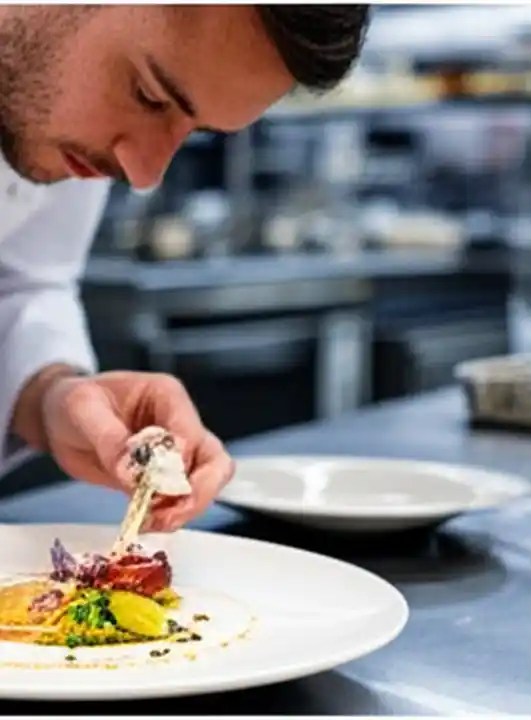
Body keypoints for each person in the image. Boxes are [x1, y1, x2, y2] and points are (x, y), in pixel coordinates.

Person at [0, 7, 370, 530]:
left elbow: (21, 282)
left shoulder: (62, 114)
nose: (144, 172)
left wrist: (51, 396)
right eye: (149, 95)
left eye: (191, 130)